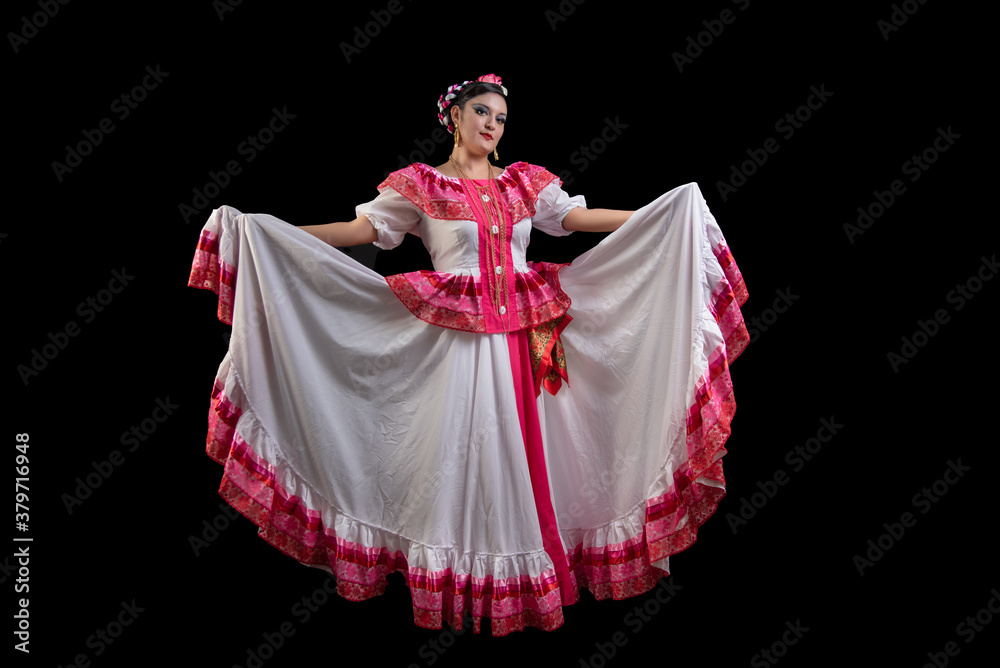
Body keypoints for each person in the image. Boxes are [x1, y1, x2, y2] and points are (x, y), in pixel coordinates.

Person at [188, 73, 749, 636]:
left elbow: (576, 220)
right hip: (456, 346)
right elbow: (363, 230)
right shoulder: (421, 185)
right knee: (462, 453)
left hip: (528, 341)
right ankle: (463, 577)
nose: (491, 124)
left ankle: (523, 573)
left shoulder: (523, 182)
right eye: (482, 112)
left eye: (500, 118)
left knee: (532, 459)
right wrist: (268, 231)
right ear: (453, 117)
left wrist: (662, 216)